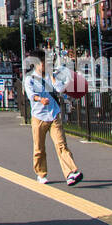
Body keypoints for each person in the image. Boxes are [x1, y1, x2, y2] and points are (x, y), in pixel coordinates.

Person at [23, 49, 83, 186]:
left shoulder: (50, 75)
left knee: (61, 144)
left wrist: (53, 77)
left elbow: (60, 89)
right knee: (39, 147)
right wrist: (40, 99)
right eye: (43, 63)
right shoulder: (29, 78)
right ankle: (41, 173)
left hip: (54, 114)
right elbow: (30, 95)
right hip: (38, 116)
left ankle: (71, 172)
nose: (45, 65)